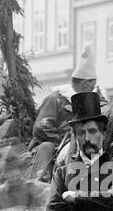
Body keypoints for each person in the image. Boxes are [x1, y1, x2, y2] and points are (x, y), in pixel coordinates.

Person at [32, 48, 101, 178]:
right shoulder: (56, 99)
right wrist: (64, 140)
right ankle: (41, 182)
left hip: (81, 140)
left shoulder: (90, 102)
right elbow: (42, 127)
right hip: (55, 143)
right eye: (92, 85)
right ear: (85, 84)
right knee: (46, 148)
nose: (94, 89)